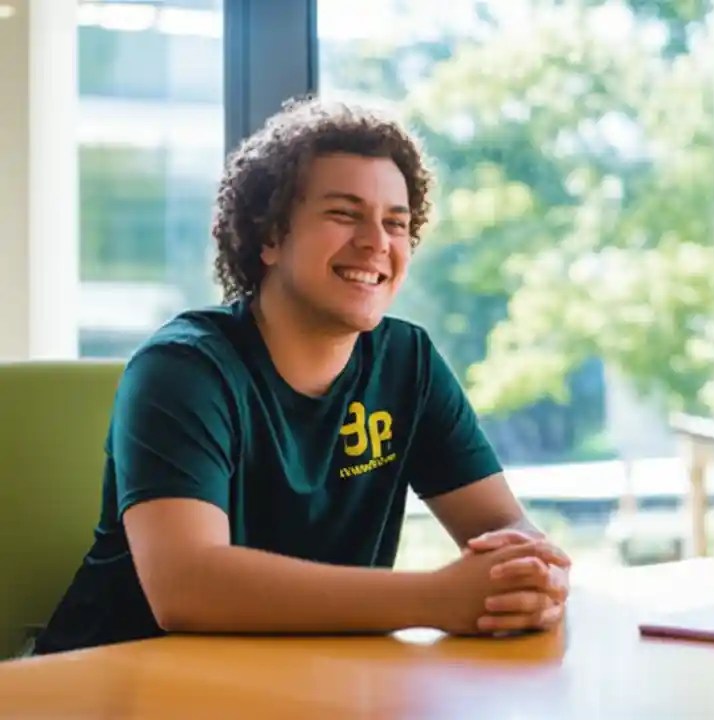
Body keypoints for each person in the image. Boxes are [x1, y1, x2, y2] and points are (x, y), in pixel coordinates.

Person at [34, 98, 571, 655]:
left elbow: (506, 528)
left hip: (295, 685)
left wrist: (534, 576)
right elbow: (186, 585)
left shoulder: (408, 361)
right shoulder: (182, 370)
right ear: (269, 236)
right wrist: (437, 598)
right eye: (344, 214)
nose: (376, 242)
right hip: (111, 687)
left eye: (396, 223)